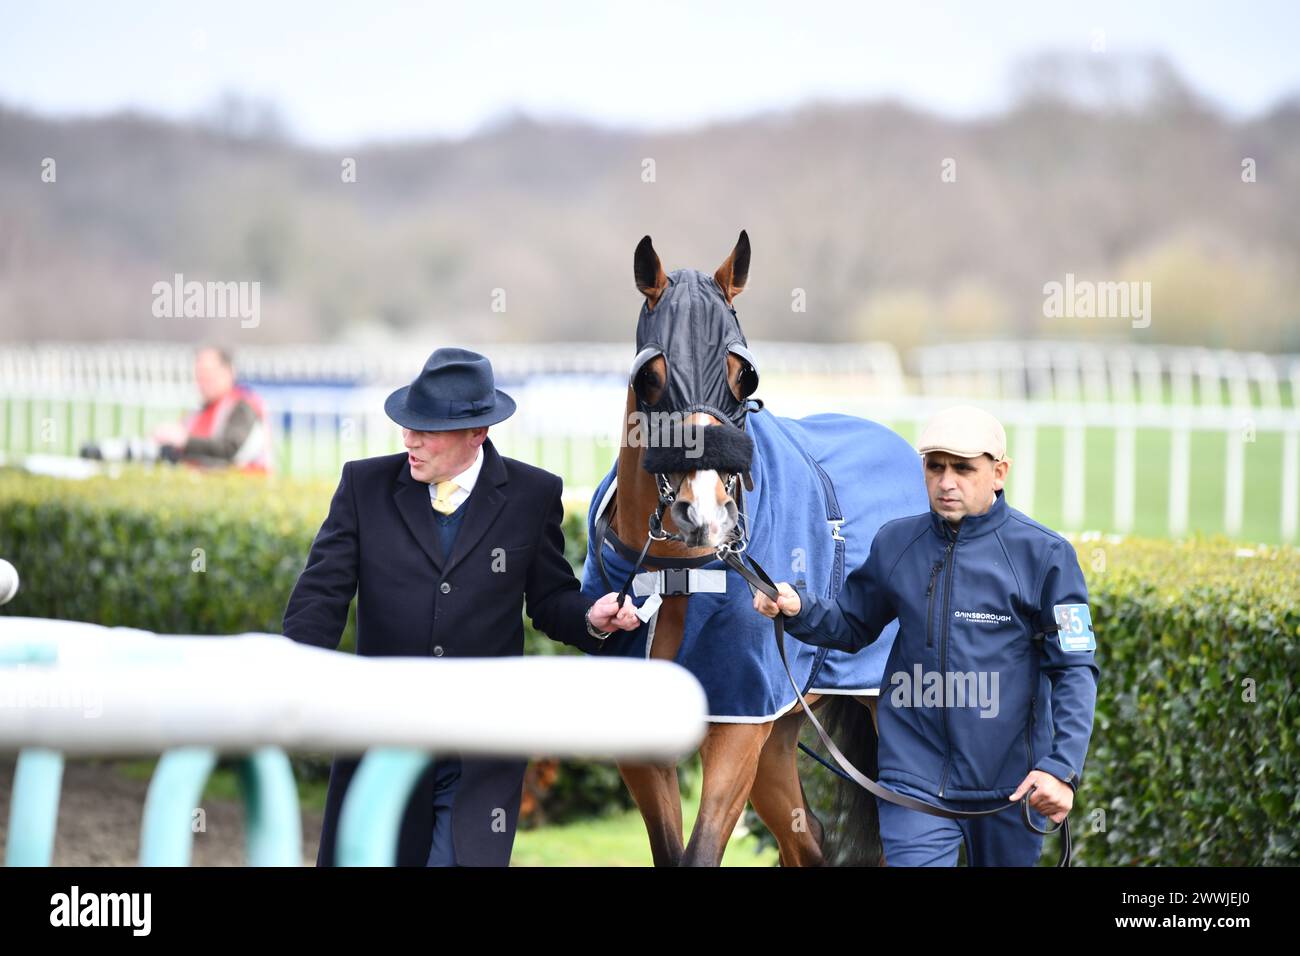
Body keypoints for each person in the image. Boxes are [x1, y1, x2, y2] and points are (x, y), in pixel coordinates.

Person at [282, 347, 639, 867]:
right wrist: (293, 672)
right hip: (382, 738)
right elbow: (320, 596)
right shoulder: (363, 486)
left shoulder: (533, 495)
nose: (409, 438)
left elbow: (549, 600)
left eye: (426, 428)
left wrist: (589, 617)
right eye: (408, 424)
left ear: (478, 433)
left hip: (480, 749)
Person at [753, 405, 1099, 866]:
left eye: (962, 468)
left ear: (999, 472)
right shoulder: (895, 543)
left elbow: (1076, 670)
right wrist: (798, 607)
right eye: (935, 467)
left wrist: (1060, 769)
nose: (946, 482)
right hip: (911, 786)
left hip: (1011, 790)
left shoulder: (1048, 556)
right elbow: (852, 625)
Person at [151, 346, 270, 472]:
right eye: (199, 374)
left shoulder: (243, 406)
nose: (203, 381)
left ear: (229, 372)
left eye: (208, 373)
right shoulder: (197, 412)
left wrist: (185, 441)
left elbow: (231, 448)